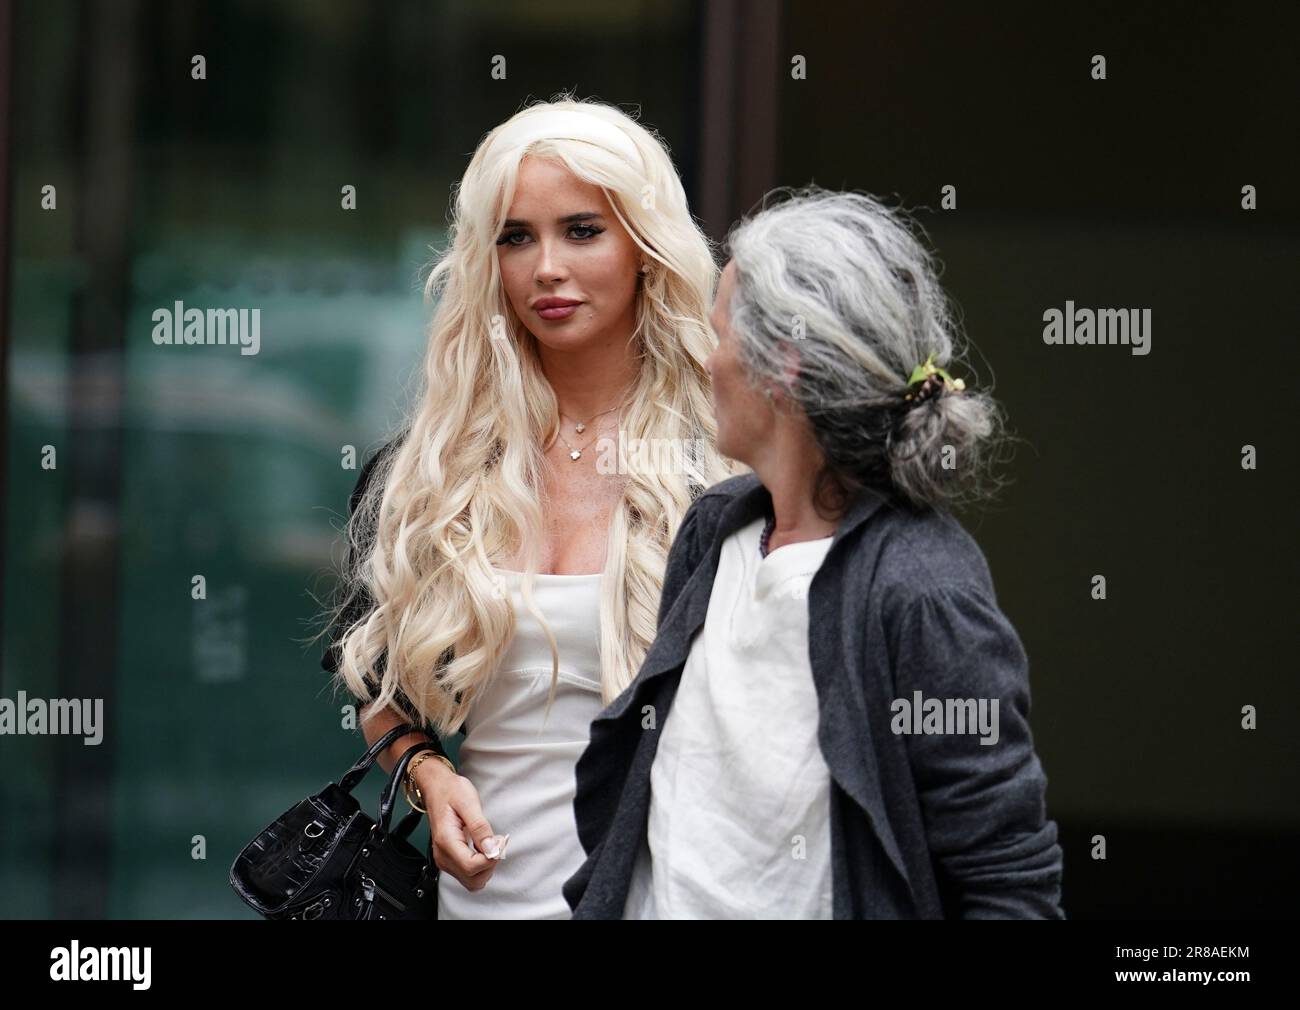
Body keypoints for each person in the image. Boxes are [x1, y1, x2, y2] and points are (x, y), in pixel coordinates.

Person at [563, 188, 1065, 919]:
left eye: (723, 332)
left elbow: (1007, 887)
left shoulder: (922, 589)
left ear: (783, 365)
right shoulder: (714, 533)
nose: (707, 360)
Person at [317, 96, 736, 919]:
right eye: (517, 237)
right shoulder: (430, 473)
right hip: (479, 902)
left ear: (645, 248)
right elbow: (375, 682)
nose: (546, 267)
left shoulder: (717, 466)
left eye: (582, 230)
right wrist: (430, 775)